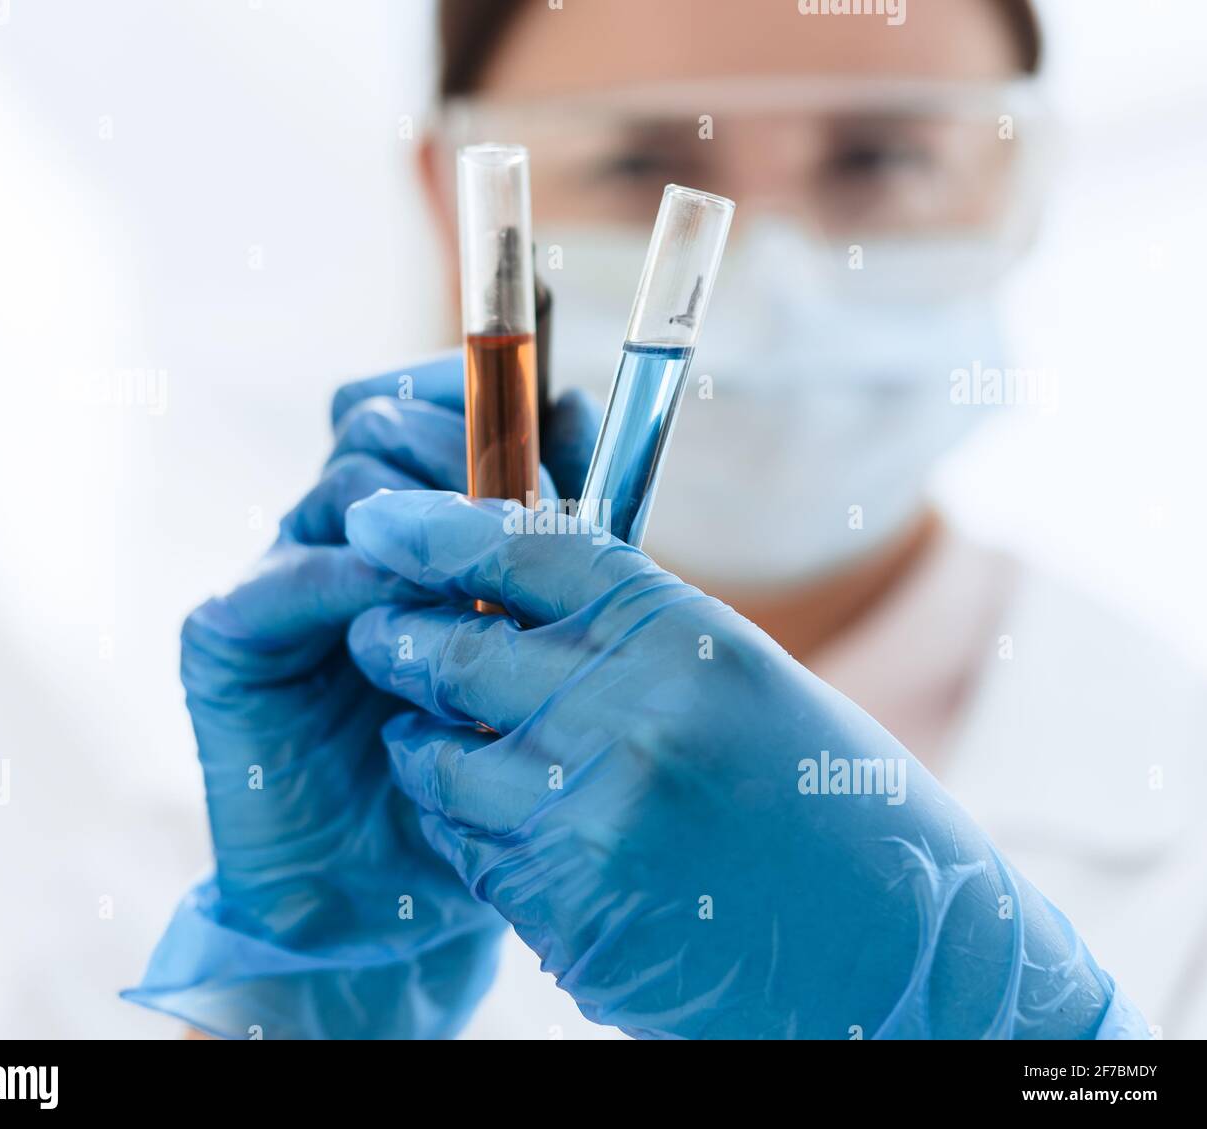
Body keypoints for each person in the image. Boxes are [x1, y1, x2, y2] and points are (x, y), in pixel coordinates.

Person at [125, 0, 1207, 1038]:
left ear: (1022, 181)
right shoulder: (232, 857)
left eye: (879, 157)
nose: (769, 273)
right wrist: (293, 1013)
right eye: (636, 164)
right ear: (455, 202)